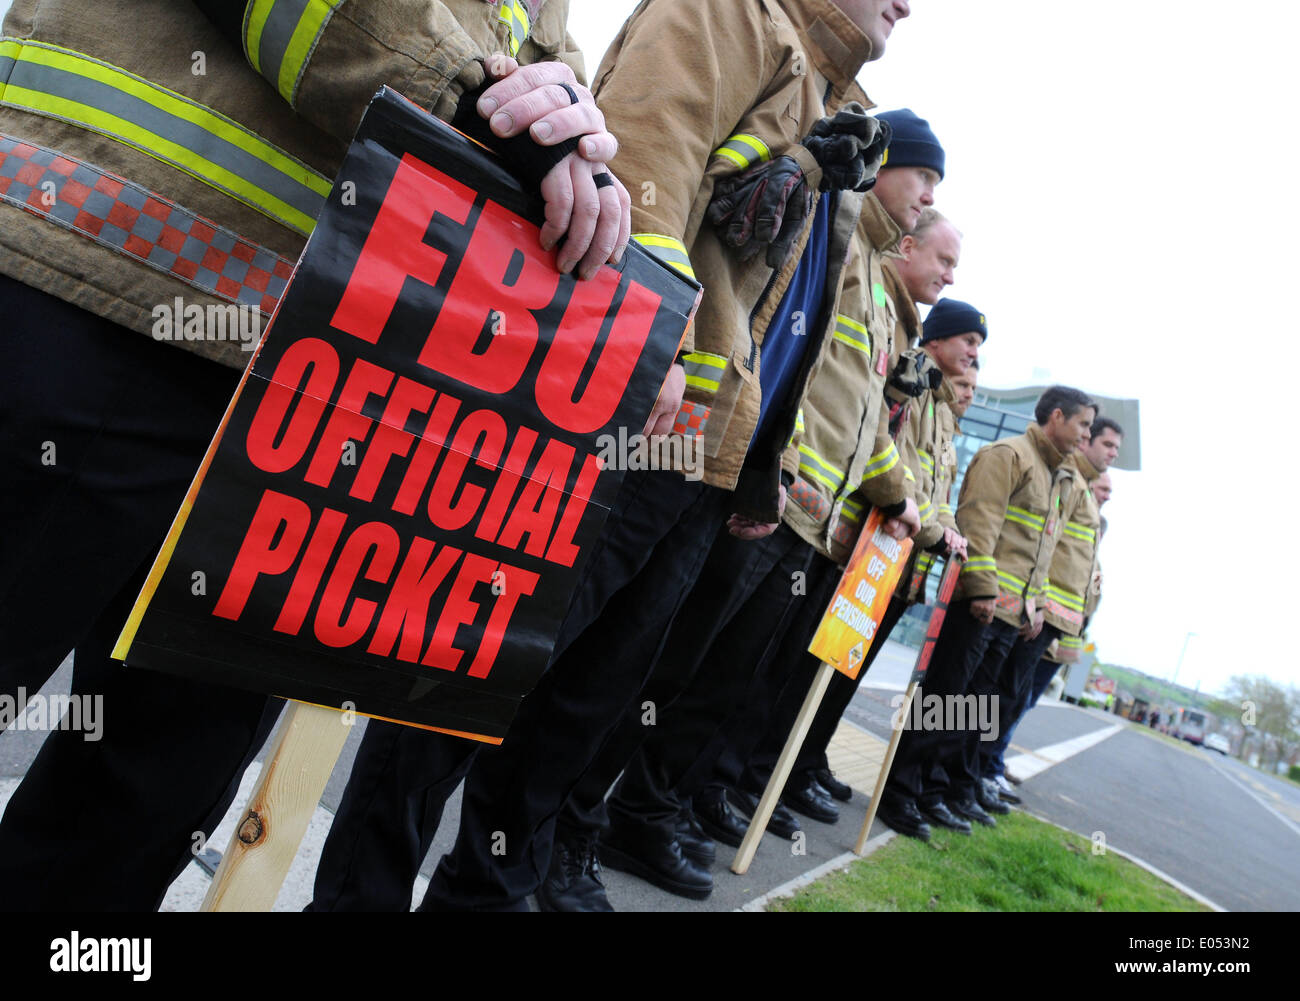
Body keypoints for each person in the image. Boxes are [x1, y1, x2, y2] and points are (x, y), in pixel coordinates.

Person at [0, 0, 633, 911]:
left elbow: (554, 97)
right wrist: (475, 96)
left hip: (303, 390)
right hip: (99, 274)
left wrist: (585, 164)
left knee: (136, 815)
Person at [308, 0, 914, 913]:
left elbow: (780, 318)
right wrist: (648, 347)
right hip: (625, 414)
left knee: (579, 708)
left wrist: (752, 464)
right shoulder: (725, 13)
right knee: (472, 676)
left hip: (700, 453)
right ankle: (360, 899)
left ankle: (489, 892)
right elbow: (646, 164)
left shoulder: (828, 95)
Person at [737, 292, 982, 827]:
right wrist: (930, 526)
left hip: (896, 560)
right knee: (794, 670)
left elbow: (931, 489)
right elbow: (895, 460)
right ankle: (760, 776)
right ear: (937, 339)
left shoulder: (937, 409)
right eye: (968, 342)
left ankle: (797, 765)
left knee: (834, 677)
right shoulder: (913, 383)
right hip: (854, 535)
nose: (972, 364)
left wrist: (940, 529)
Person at [876, 385, 1096, 840]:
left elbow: (1043, 548)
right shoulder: (1007, 455)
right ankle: (898, 793)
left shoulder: (1056, 475)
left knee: (972, 709)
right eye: (1083, 425)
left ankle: (932, 793)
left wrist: (1033, 606)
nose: (1085, 436)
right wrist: (980, 589)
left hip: (1012, 616)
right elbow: (980, 524)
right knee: (944, 702)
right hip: (979, 605)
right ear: (1057, 416)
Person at [980, 417, 1121, 800]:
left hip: (1055, 618)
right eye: (1106, 444)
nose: (1111, 454)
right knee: (995, 696)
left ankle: (980, 769)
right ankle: (976, 771)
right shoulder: (1067, 480)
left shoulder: (1081, 491)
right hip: (1032, 610)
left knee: (1010, 697)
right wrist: (1038, 603)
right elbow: (1047, 549)